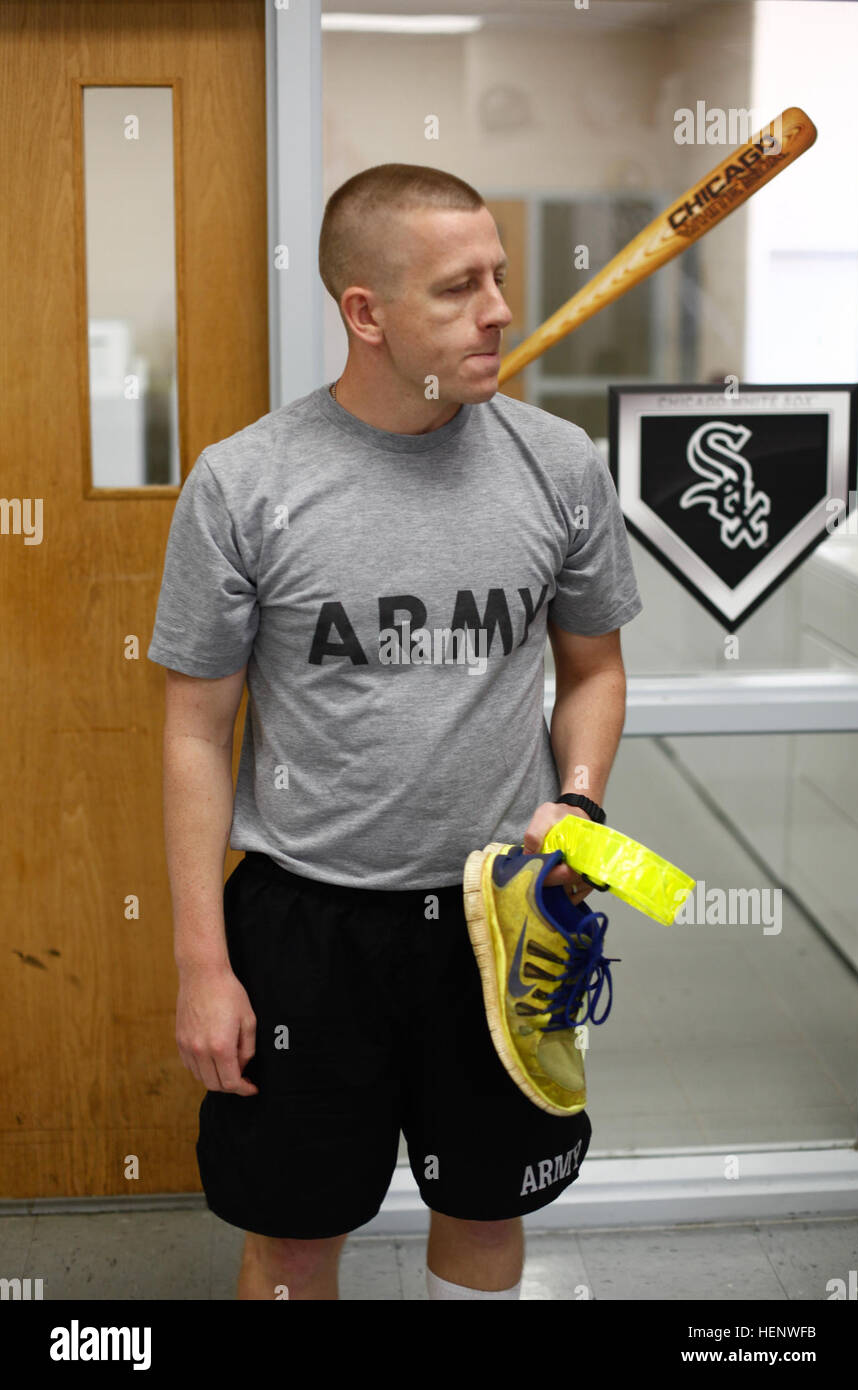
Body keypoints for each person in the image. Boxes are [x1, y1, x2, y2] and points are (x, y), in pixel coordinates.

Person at [147, 163, 642, 1301]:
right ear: (363, 313)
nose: (500, 312)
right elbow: (191, 733)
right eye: (457, 287)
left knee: (483, 1209)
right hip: (304, 926)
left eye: (501, 280)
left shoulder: (558, 467)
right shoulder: (244, 484)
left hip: (502, 916)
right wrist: (200, 964)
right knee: (292, 1232)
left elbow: (594, 668)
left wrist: (576, 796)